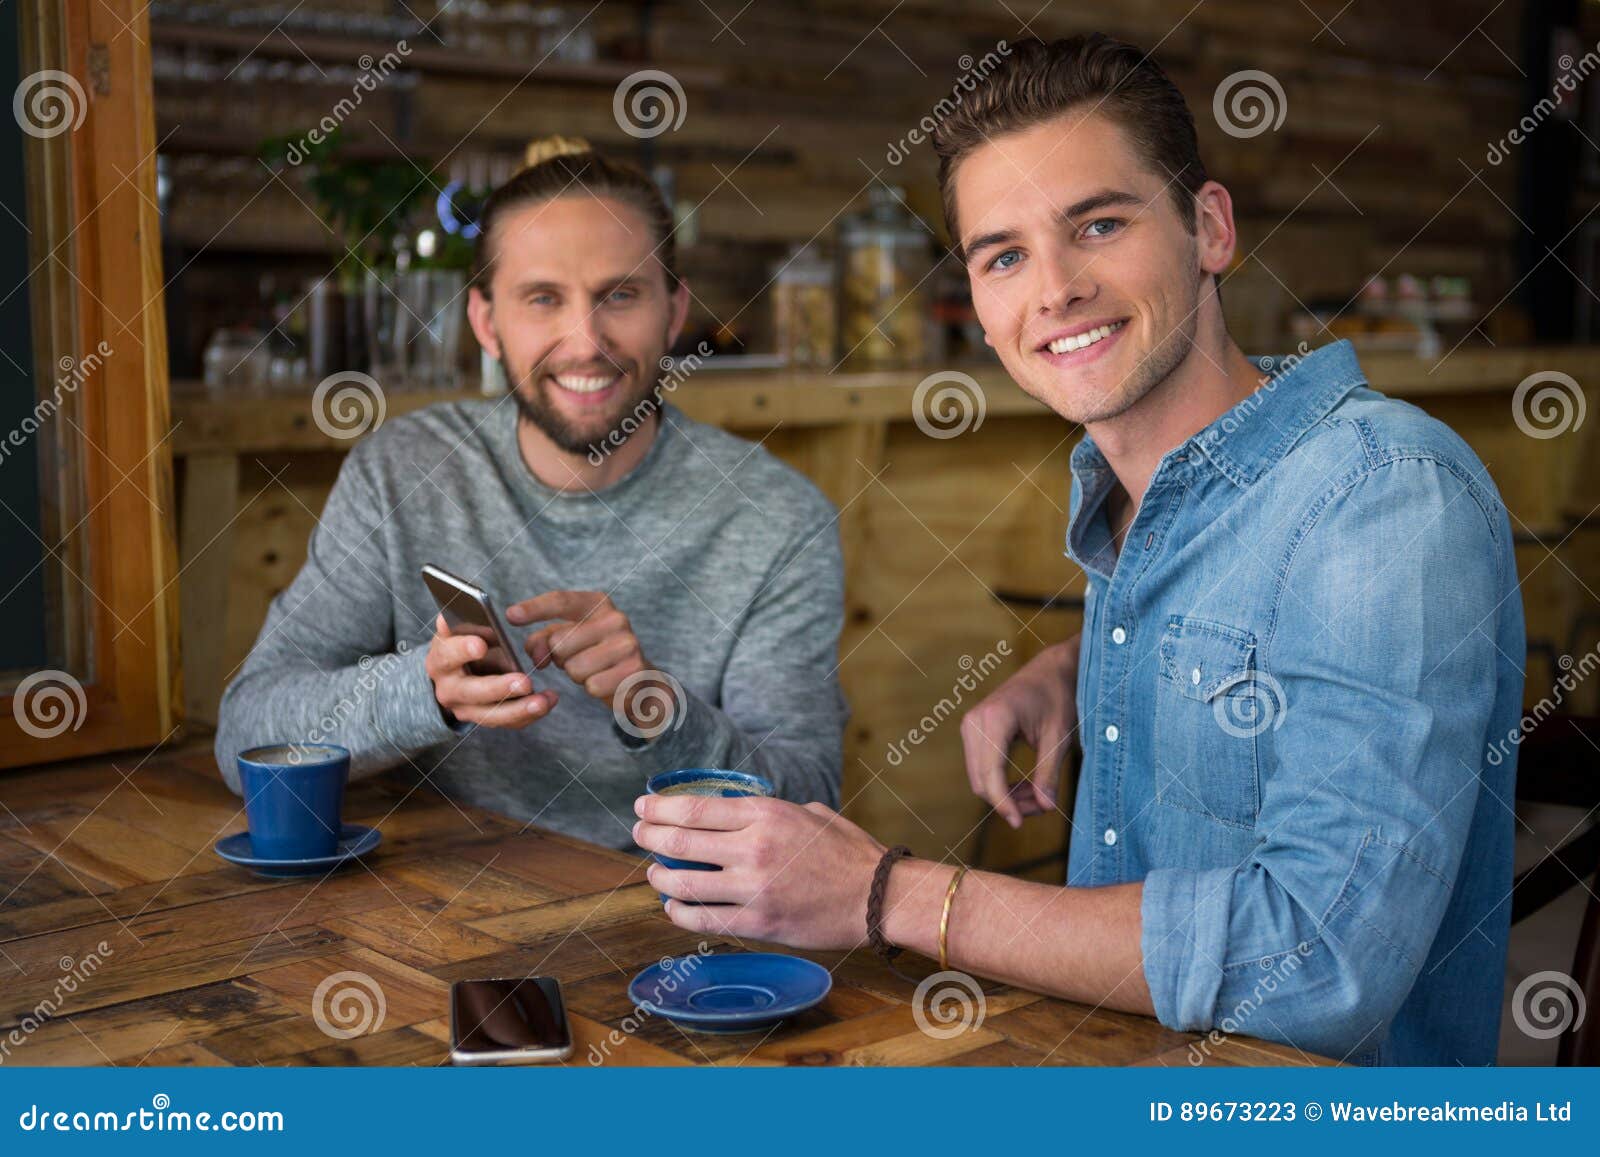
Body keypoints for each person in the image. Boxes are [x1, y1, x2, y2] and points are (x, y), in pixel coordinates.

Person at [632, 35, 1524, 1066]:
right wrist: (1091, 668)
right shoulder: (1144, 493)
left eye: (1097, 224)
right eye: (1002, 254)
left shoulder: (1382, 493)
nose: (1052, 290)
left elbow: (1317, 961)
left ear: (1209, 227)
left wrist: (887, 892)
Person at [216, 138, 847, 849]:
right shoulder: (403, 472)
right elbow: (246, 737)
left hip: (670, 925)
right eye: (543, 298)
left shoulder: (778, 519)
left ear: (674, 313)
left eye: (621, 295)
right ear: (486, 323)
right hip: (427, 918)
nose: (584, 341)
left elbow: (808, 803)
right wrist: (425, 691)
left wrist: (657, 705)